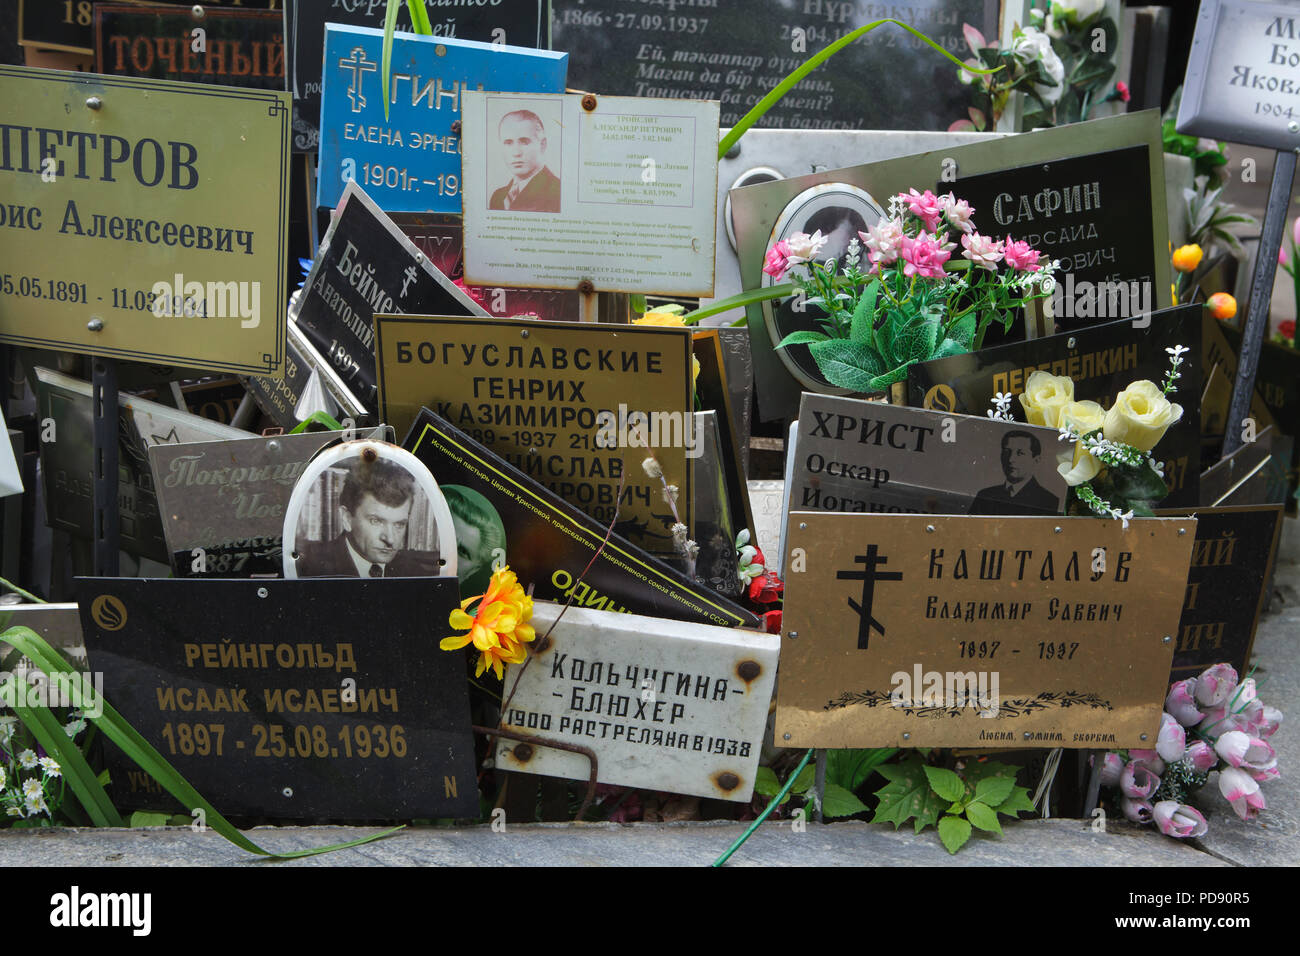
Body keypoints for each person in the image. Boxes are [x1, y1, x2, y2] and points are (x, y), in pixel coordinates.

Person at [295, 458, 440, 577]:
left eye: (399, 524)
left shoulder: (415, 573)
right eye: (376, 521)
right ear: (346, 518)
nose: (390, 539)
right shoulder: (309, 568)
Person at [968, 430, 1062, 516]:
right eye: (1007, 452)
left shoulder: (1048, 501)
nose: (1011, 459)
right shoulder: (985, 496)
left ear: (1036, 460)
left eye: (1020, 453)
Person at [489, 110, 561, 213]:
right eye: (508, 143)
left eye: (524, 142)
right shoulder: (498, 197)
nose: (516, 152)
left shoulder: (558, 193)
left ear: (542, 144)